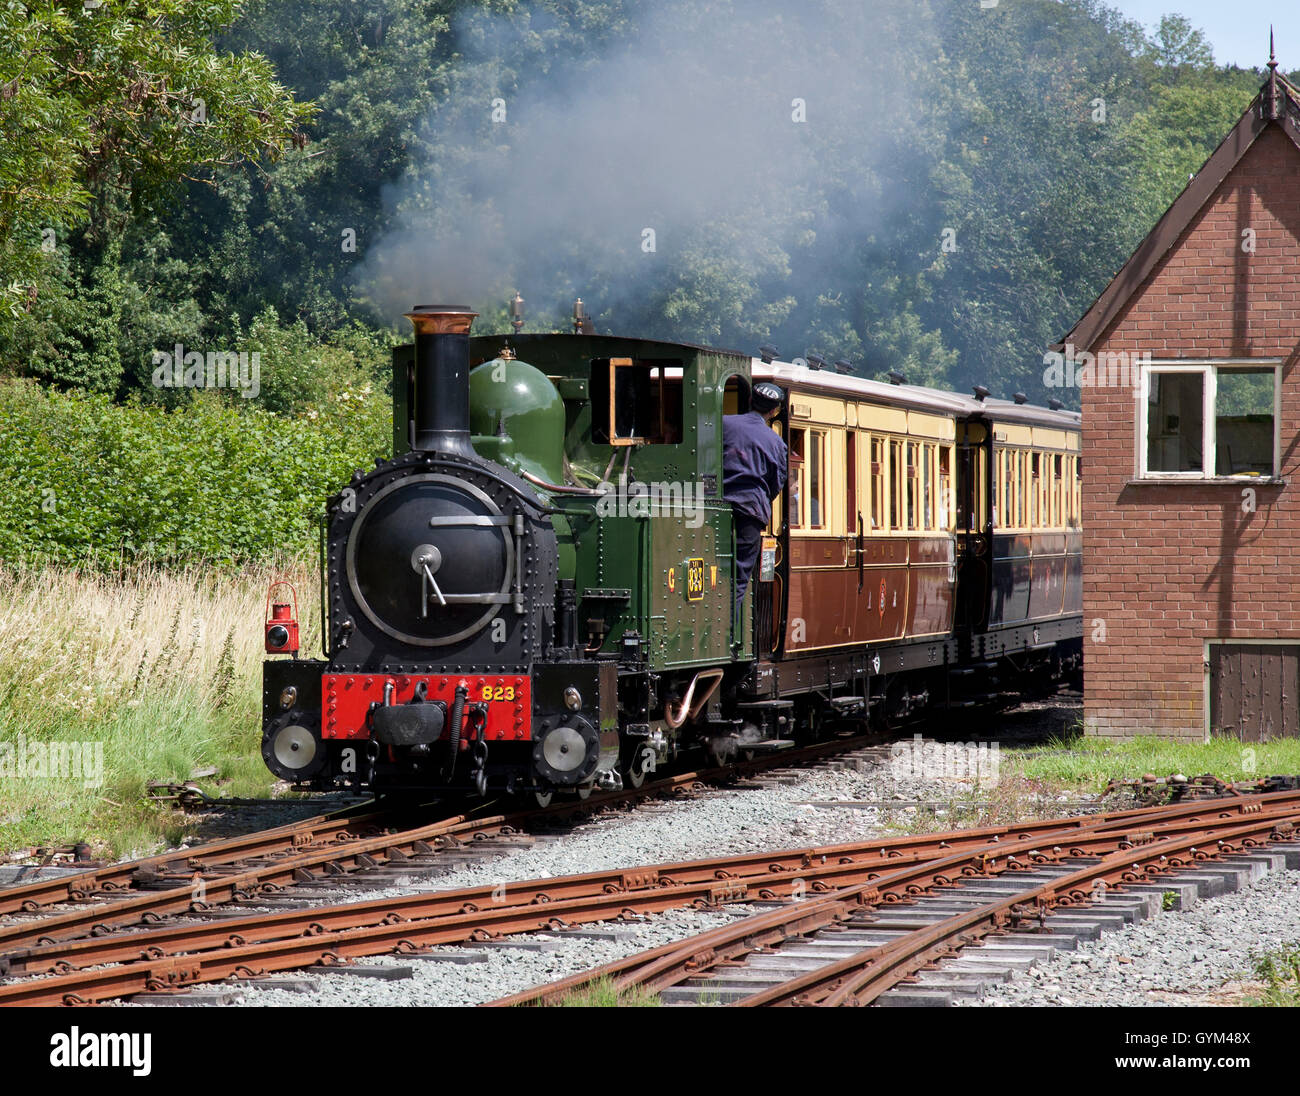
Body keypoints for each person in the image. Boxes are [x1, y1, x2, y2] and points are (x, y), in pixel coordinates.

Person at [722, 382, 788, 613]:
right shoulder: (776, 443)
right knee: (739, 579)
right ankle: (730, 638)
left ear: (750, 400)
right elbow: (776, 483)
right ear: (774, 411)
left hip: (714, 506)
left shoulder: (723, 424)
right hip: (750, 510)